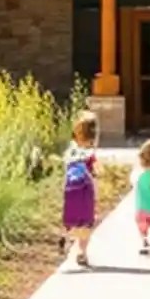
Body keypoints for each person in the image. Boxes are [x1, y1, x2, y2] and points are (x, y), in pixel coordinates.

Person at [59, 111, 99, 268]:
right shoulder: (90, 155)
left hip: (70, 189)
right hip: (86, 191)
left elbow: (66, 171)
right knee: (86, 223)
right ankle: (82, 253)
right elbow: (97, 173)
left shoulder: (70, 151)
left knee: (70, 219)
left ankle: (66, 237)